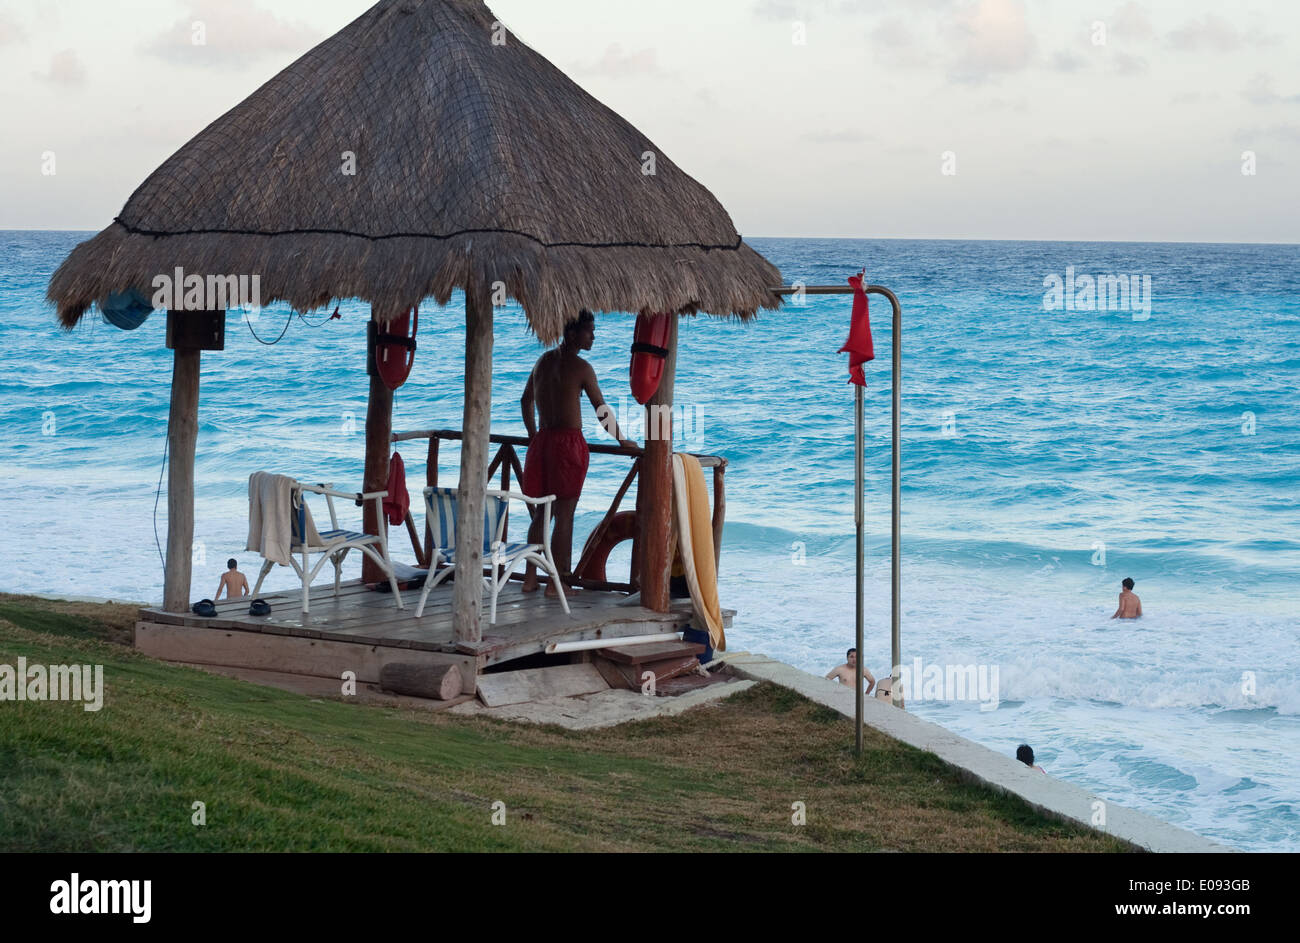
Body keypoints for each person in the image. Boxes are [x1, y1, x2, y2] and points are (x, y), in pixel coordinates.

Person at [520, 309, 635, 597]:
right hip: (567, 444)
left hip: (542, 443)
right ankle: (559, 583)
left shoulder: (543, 361)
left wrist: (533, 435)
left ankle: (531, 577)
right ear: (572, 334)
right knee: (565, 515)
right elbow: (601, 409)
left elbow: (525, 400)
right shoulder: (582, 368)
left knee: (541, 514)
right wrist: (623, 440)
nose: (594, 336)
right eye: (589, 331)